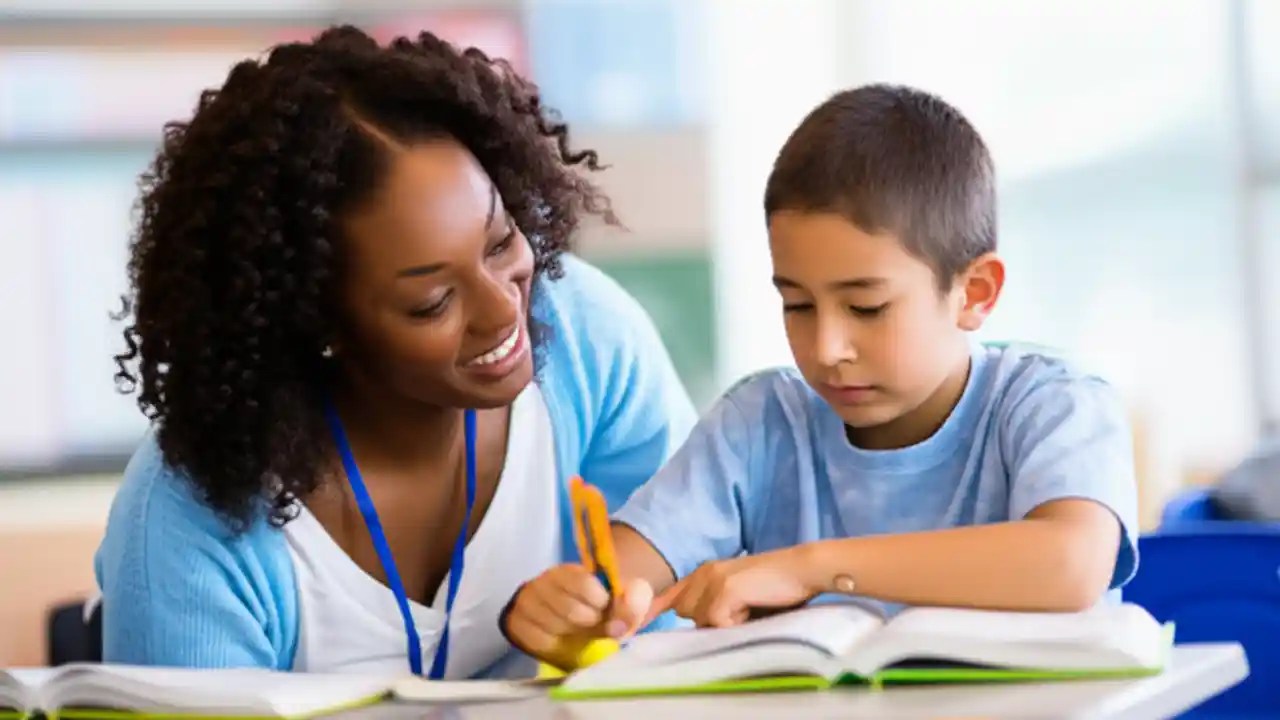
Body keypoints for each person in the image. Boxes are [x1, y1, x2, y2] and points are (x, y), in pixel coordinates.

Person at [96, 25, 695, 679]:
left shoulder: (587, 342)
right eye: (433, 302)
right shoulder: (191, 517)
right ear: (318, 322)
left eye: (499, 243)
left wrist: (610, 626)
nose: (504, 311)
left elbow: (677, 627)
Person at [501, 84, 1140, 671]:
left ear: (973, 292)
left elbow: (1071, 565)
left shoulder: (1053, 403)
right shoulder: (760, 422)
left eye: (867, 307)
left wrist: (813, 569)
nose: (827, 348)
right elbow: (614, 584)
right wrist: (566, 610)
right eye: (797, 305)